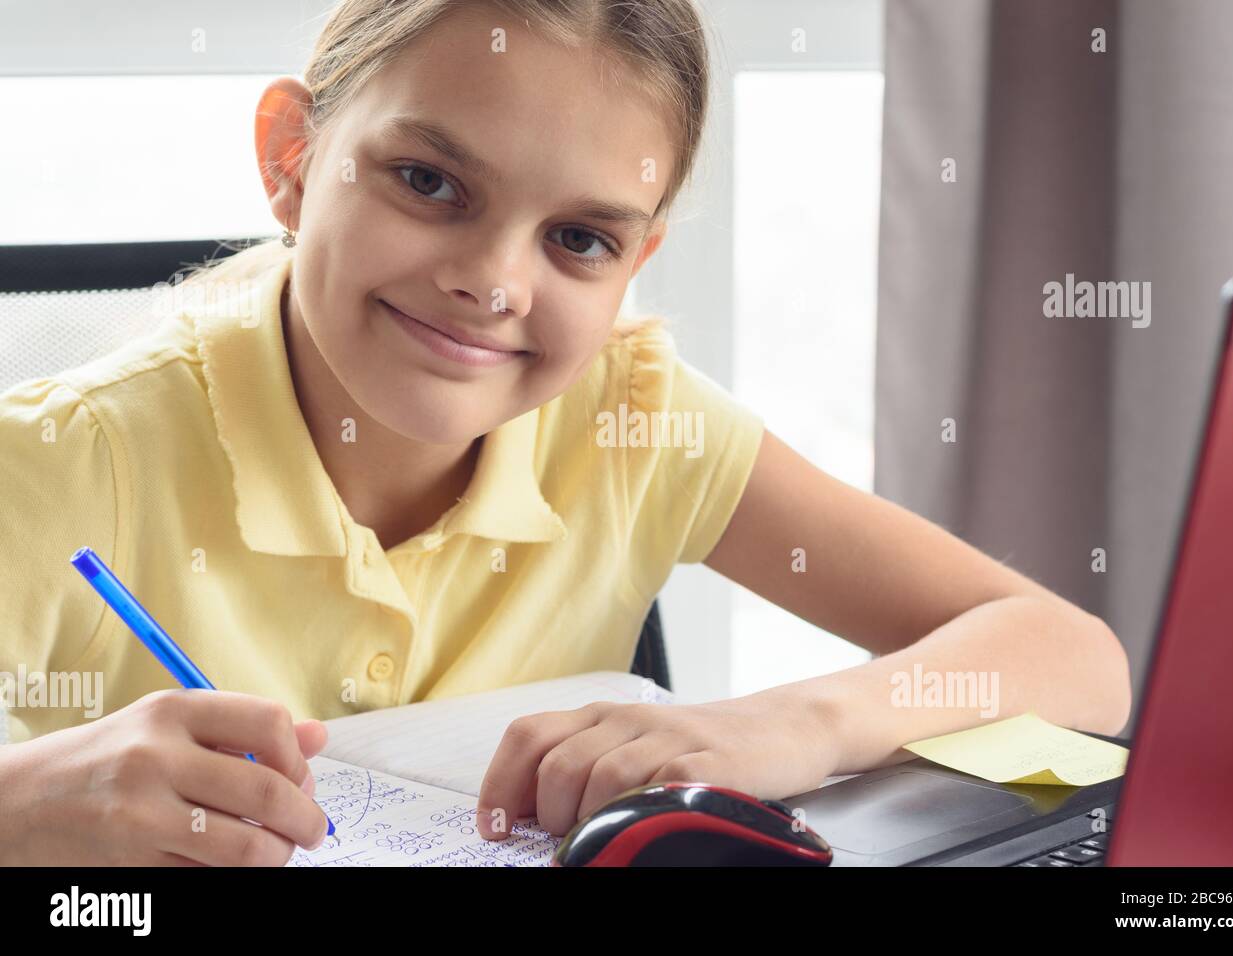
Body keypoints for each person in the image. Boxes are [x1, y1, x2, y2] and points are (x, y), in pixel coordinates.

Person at [0, 0, 1130, 865]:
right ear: (292, 161)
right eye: (429, 181)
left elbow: (1071, 654)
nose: (491, 282)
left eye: (579, 239)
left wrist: (795, 725)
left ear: (634, 263)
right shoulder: (58, 465)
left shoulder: (635, 421)